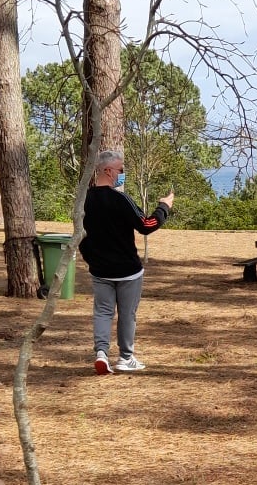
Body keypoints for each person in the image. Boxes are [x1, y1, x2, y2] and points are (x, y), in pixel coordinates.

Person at [79, 149, 175, 374]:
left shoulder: (86, 199)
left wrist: (90, 258)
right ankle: (126, 357)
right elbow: (147, 225)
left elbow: (80, 232)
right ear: (109, 171)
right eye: (121, 170)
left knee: (103, 311)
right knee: (127, 313)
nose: (123, 174)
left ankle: (101, 353)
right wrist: (164, 207)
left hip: (100, 269)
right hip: (128, 270)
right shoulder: (121, 199)